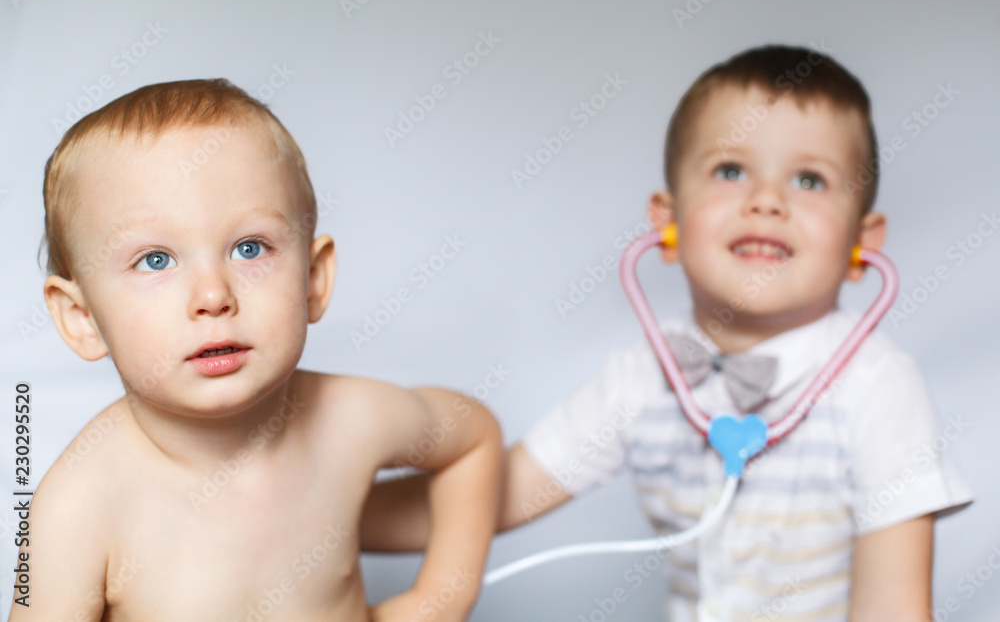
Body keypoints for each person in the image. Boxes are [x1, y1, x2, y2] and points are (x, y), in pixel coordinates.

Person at [361, 45, 973, 621]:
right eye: (731, 169)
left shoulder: (877, 388)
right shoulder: (642, 376)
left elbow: (892, 608)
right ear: (669, 222)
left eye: (808, 180)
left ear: (861, 246)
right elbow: (494, 495)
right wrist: (324, 513)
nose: (766, 200)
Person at [11, 79, 502, 622]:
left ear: (313, 279)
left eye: (250, 248)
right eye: (155, 260)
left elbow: (471, 437)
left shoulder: (350, 420)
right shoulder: (77, 506)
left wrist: (437, 601)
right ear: (82, 320)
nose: (213, 295)